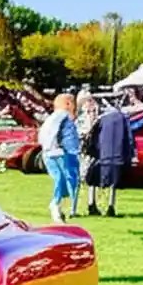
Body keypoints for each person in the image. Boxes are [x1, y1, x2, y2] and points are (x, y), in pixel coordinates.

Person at [38, 93, 79, 223]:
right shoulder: (65, 118)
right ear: (68, 104)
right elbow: (69, 138)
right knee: (67, 180)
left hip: (48, 152)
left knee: (59, 179)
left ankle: (58, 207)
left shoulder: (51, 118)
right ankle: (56, 205)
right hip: (60, 153)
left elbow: (42, 136)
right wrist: (74, 151)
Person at [89, 103, 136, 217]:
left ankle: (91, 203)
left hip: (102, 156)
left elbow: (93, 137)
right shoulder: (123, 119)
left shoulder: (101, 119)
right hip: (117, 156)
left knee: (93, 180)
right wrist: (131, 155)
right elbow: (129, 138)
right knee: (113, 183)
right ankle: (111, 206)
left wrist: (93, 151)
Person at [75, 92, 102, 216]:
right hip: (82, 151)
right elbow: (83, 132)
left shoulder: (93, 116)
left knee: (92, 178)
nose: (91, 103)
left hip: (92, 150)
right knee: (80, 178)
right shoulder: (80, 118)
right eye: (88, 101)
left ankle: (92, 204)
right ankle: (75, 207)